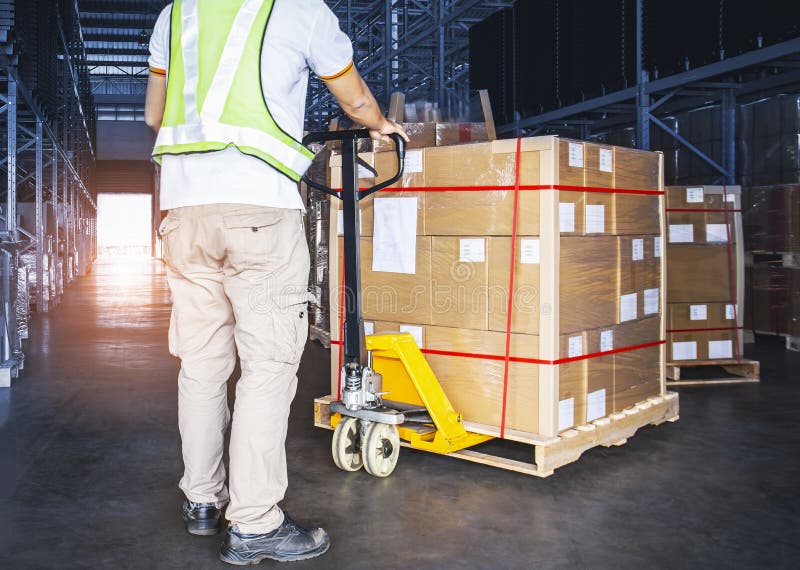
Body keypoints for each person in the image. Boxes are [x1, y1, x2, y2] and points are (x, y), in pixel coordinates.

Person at [144, 0, 408, 565]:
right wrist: (380, 125)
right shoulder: (299, 9)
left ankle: (202, 500)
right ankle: (256, 523)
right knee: (266, 366)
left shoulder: (176, 14)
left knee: (202, 363)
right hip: (259, 211)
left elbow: (154, 114)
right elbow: (355, 98)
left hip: (185, 213)